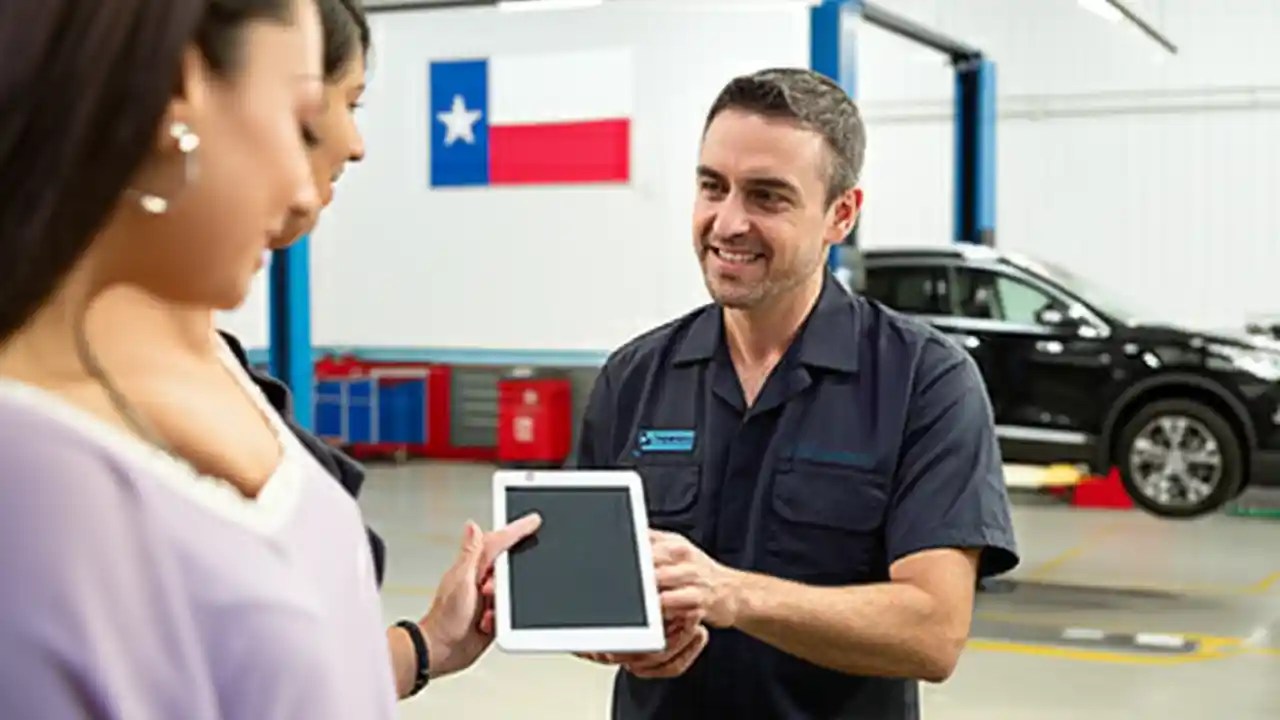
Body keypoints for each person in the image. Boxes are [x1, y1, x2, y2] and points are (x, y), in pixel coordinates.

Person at [0, 1, 536, 717]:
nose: (303, 184)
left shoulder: (219, 375)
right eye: (301, 116)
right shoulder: (38, 483)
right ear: (182, 93)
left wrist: (429, 643)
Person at [571, 68, 1020, 719]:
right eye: (712, 187)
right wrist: (598, 626)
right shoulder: (636, 377)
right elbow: (586, 590)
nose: (728, 222)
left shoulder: (924, 382)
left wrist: (733, 595)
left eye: (767, 197)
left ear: (841, 215)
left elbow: (933, 631)